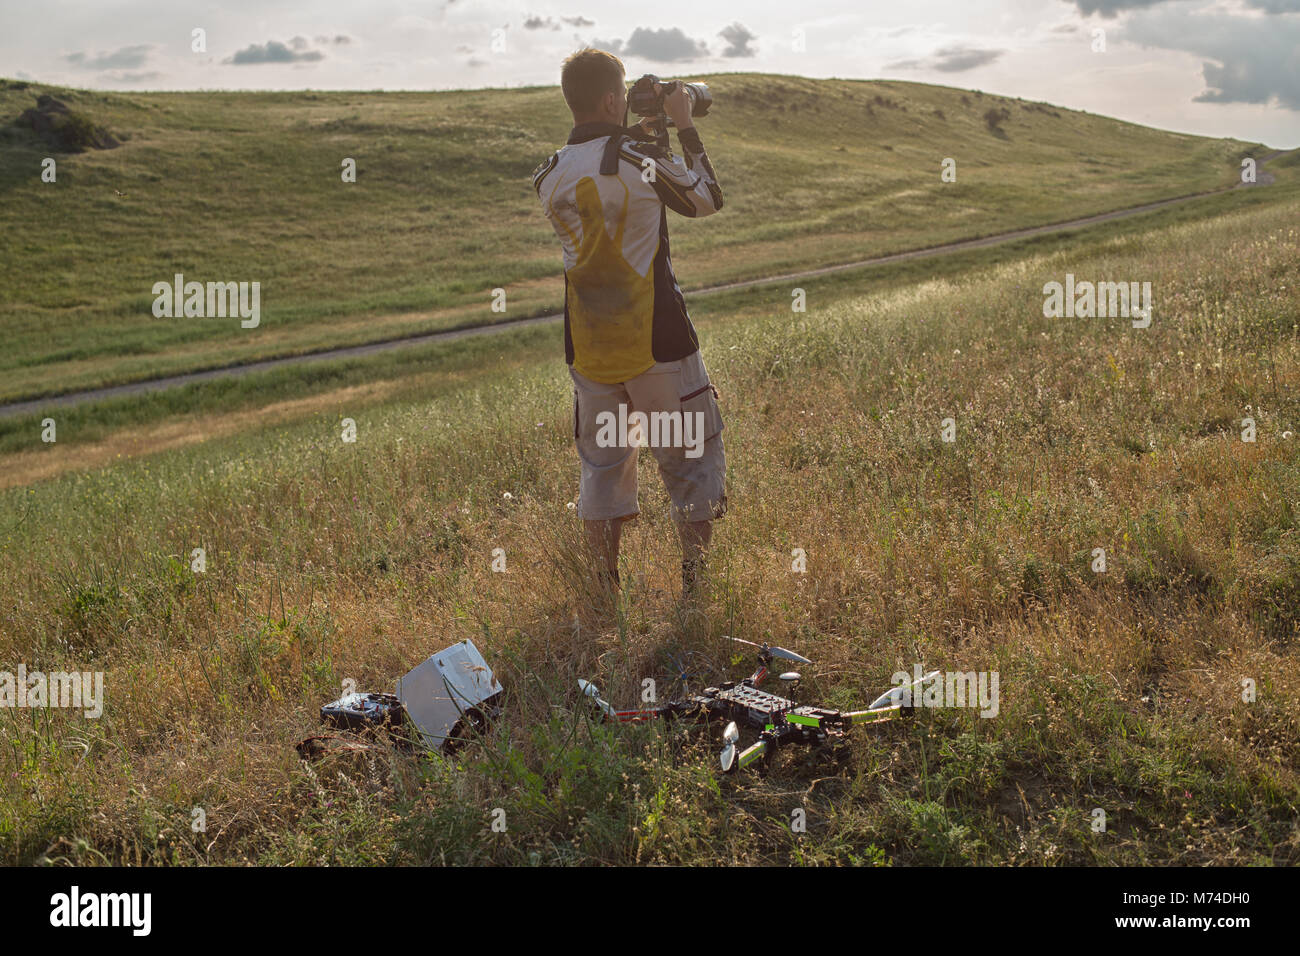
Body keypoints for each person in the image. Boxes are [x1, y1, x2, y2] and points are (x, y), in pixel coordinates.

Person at [533, 47, 726, 606]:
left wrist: (645, 133)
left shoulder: (549, 174)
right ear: (615, 99)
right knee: (688, 460)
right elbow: (705, 198)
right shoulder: (638, 156)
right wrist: (683, 124)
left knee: (603, 471)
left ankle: (602, 593)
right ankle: (696, 588)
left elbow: (611, 175)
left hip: (590, 349)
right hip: (657, 342)